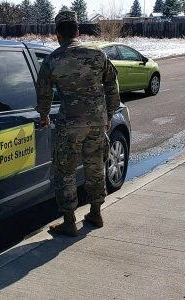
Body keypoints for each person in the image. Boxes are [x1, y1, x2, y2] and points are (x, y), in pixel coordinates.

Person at [35, 10, 120, 237]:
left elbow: (42, 90)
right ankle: (95, 212)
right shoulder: (97, 54)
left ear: (58, 35)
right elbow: (112, 85)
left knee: (66, 172)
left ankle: (69, 221)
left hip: (69, 123)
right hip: (96, 121)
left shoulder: (53, 59)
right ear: (78, 31)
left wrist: (43, 116)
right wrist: (109, 114)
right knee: (95, 167)